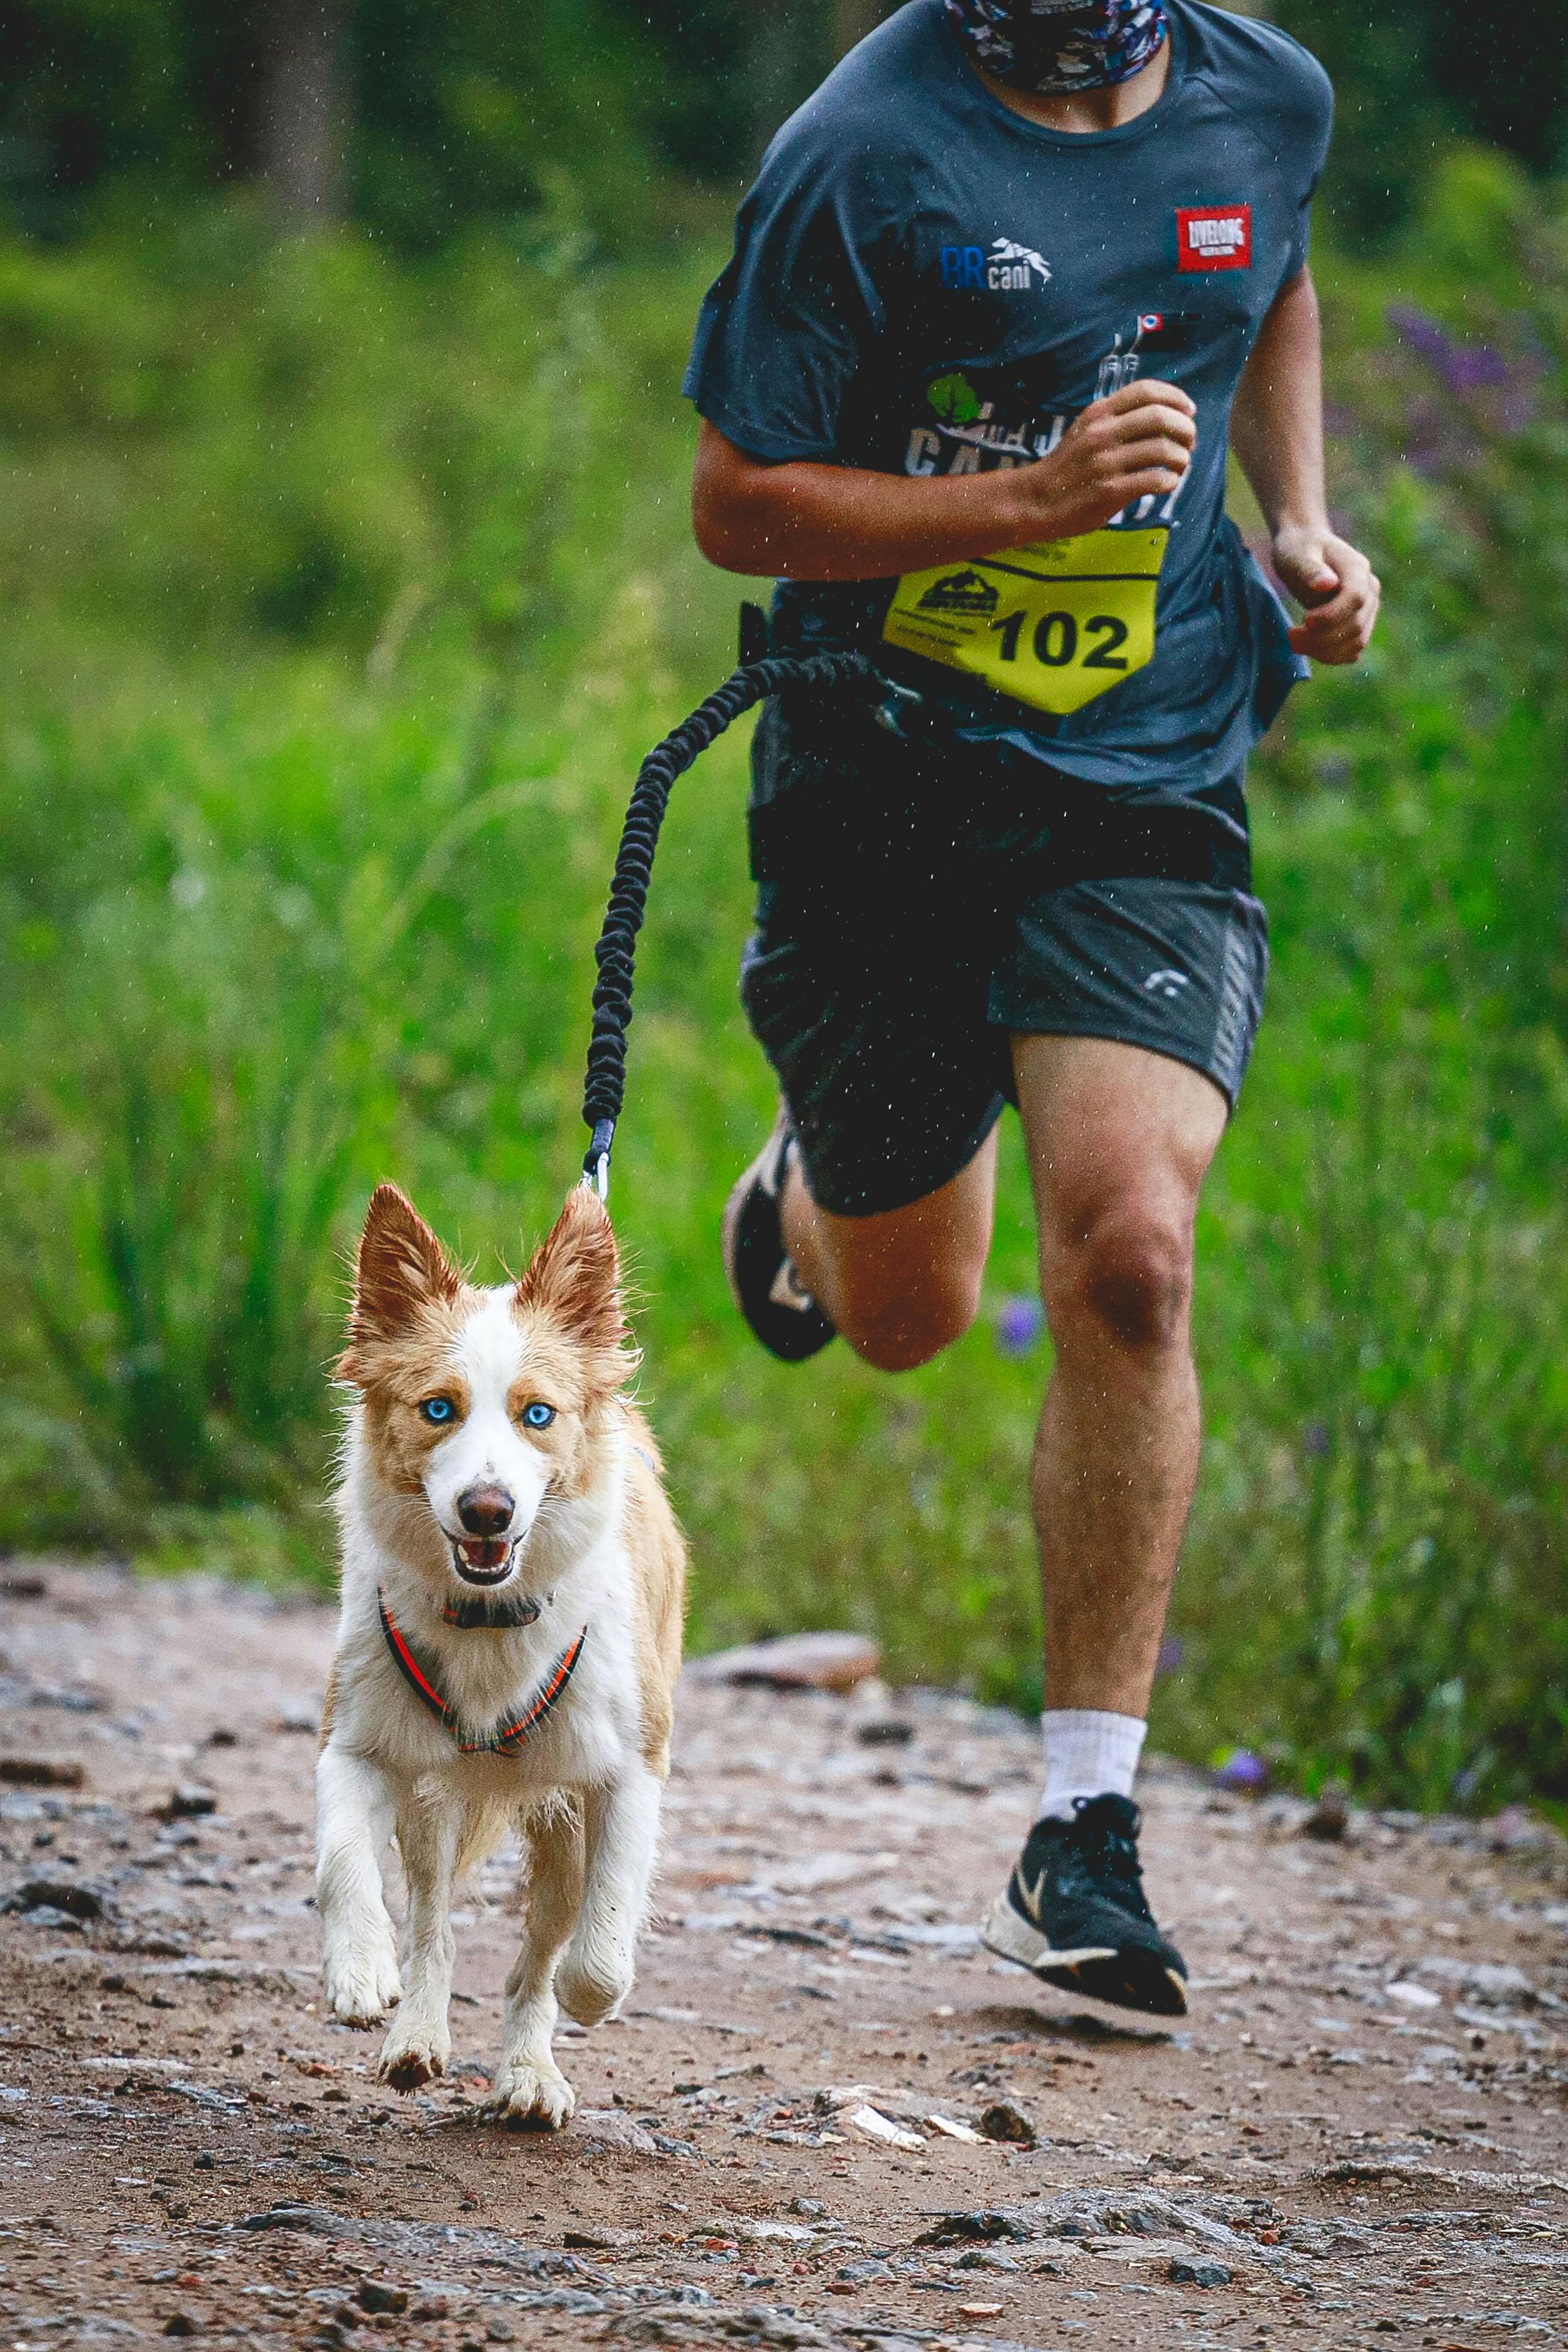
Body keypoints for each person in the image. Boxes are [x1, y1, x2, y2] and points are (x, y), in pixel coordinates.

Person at [684, 0, 1379, 2014]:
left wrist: (1297, 522)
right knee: (901, 1318)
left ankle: (1085, 1831)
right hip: (877, 776)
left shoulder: (1268, 93)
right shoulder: (859, 151)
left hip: (1142, 773)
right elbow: (738, 499)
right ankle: (809, 1191)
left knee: (1136, 1256)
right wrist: (1029, 500)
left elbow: (1276, 274)